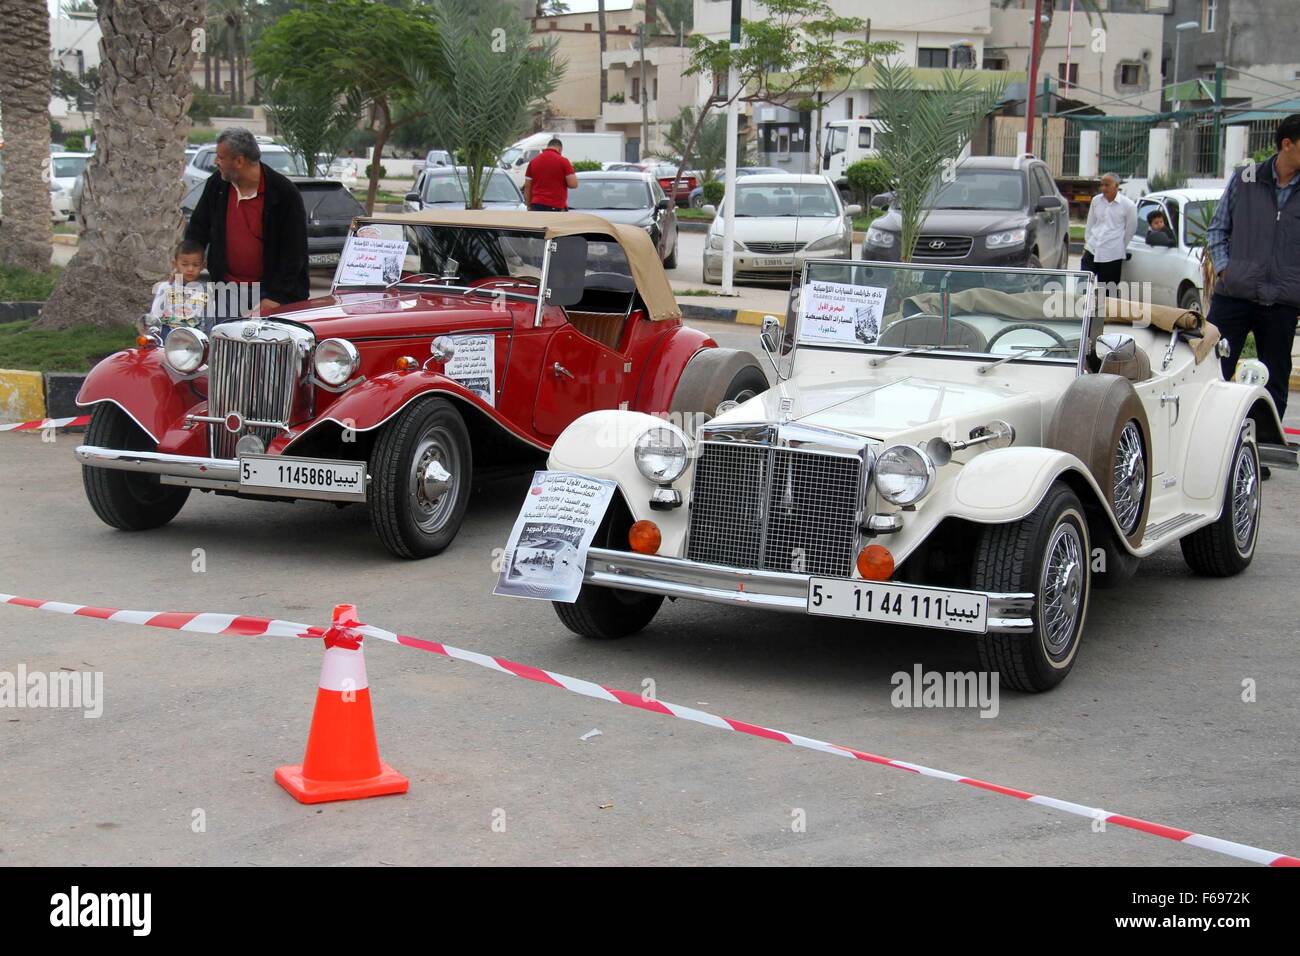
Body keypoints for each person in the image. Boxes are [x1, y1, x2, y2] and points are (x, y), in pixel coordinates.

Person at [1207, 113, 1300, 424]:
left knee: (1273, 381)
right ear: (1287, 144)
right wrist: (1224, 270)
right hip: (1233, 295)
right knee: (1212, 370)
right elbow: (1218, 228)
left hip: (1282, 302)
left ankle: (1261, 451)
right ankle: (1213, 438)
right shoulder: (1245, 178)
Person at [185, 127, 309, 315]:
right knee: (225, 341)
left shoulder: (284, 193)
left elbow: (294, 253)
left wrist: (276, 296)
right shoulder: (216, 185)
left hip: (271, 295)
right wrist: (186, 264)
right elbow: (197, 230)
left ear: (239, 161)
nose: (215, 162)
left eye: (220, 157)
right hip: (227, 290)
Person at [1082, 172, 1137, 292]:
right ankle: (1083, 310)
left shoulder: (1128, 206)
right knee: (1082, 288)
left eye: (1107, 185)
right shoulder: (1096, 201)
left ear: (1116, 185)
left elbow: (1130, 229)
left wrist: (1119, 246)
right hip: (1092, 249)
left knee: (1107, 292)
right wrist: (1088, 242)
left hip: (1112, 255)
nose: (1103, 188)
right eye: (1102, 185)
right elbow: (1090, 223)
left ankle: (1103, 311)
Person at [146, 240, 210, 341]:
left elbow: (207, 321)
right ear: (175, 264)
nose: (190, 269)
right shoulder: (166, 288)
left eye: (195, 265)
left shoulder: (205, 292)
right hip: (166, 336)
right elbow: (155, 316)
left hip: (192, 340)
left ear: (203, 265)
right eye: (184, 264)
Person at [523, 137, 577, 212]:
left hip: (536, 205)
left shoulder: (533, 161)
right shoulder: (563, 161)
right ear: (560, 149)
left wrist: (529, 206)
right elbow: (573, 184)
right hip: (556, 206)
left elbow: (527, 186)